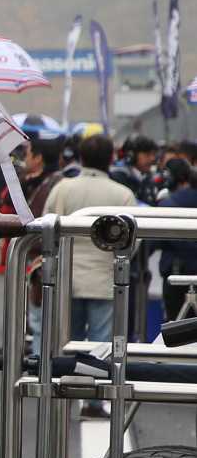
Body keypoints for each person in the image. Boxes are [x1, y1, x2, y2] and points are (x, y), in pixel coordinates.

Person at [46, 129, 139, 346]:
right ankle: (97, 378)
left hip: (66, 277)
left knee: (67, 343)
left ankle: (68, 378)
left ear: (81, 157)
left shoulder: (62, 189)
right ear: (111, 158)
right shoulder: (122, 194)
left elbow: (47, 229)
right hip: (105, 278)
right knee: (101, 346)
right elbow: (133, 241)